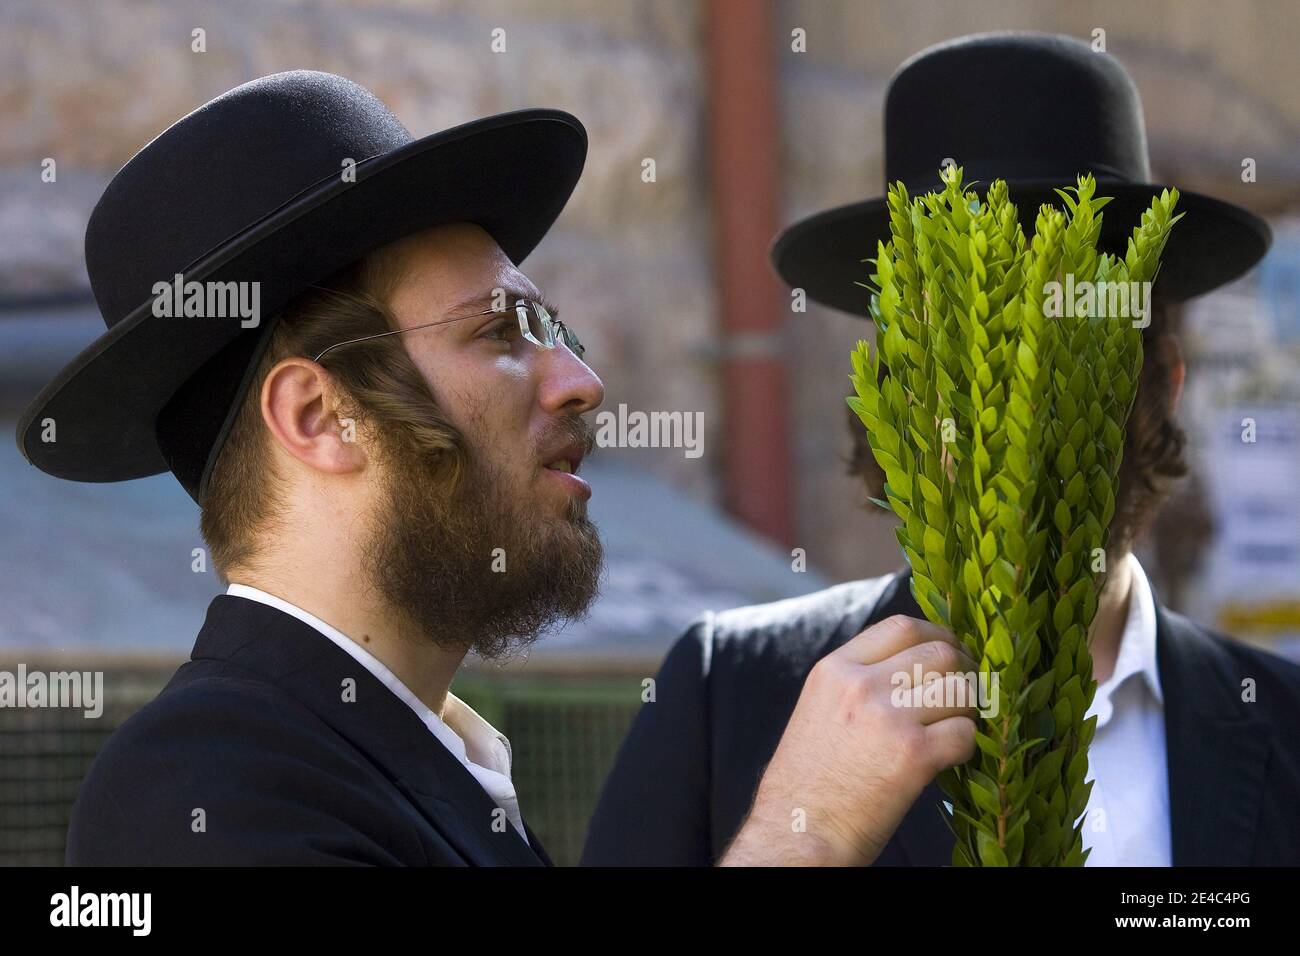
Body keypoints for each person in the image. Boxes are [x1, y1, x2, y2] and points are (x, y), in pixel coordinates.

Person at [21, 70, 979, 866]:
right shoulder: (198, 789)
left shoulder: (434, 764)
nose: (582, 381)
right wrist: (802, 835)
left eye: (552, 328)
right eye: (500, 332)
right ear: (320, 416)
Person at [582, 32, 1300, 866]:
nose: (1013, 434)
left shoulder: (1280, 728)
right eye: (957, 370)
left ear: (1162, 381)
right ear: (891, 399)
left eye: (1060, 359)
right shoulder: (730, 691)